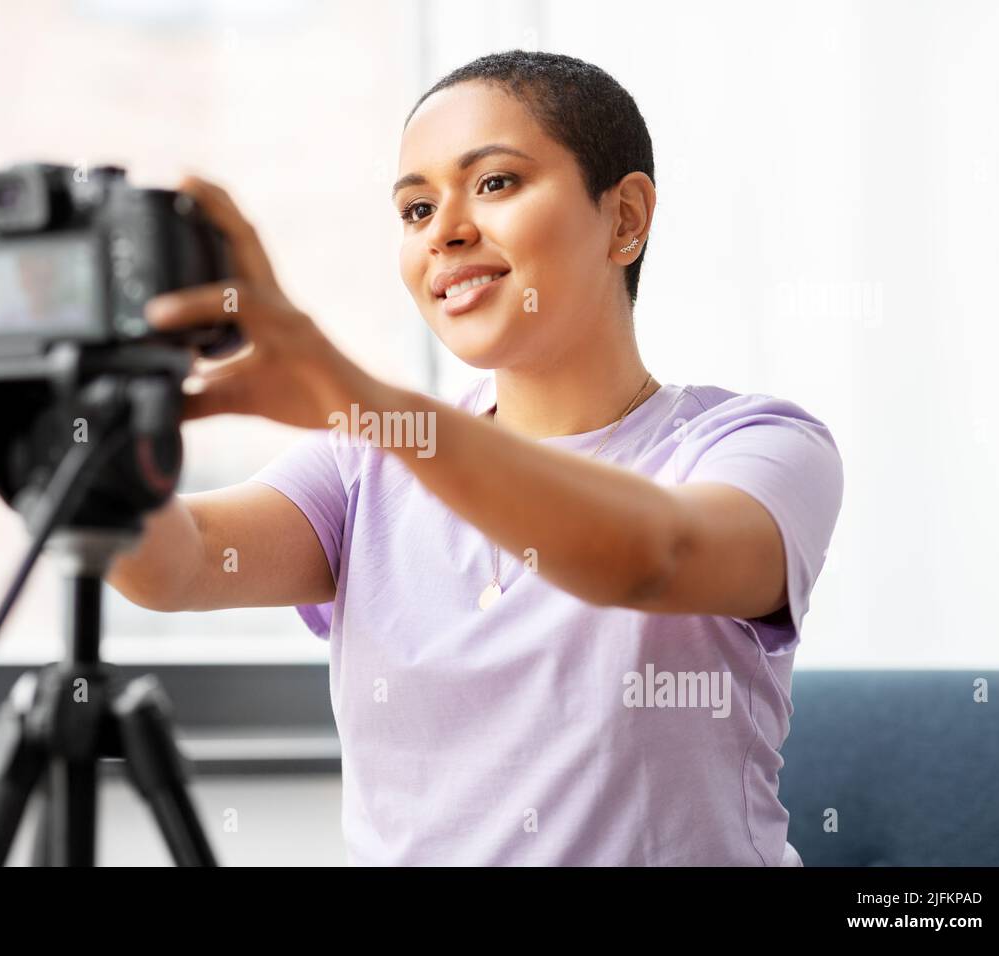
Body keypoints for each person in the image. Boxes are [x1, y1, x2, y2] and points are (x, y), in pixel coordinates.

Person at [108, 50, 844, 866]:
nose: (445, 232)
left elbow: (652, 558)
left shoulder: (759, 447)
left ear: (626, 218)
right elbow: (177, 565)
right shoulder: (367, 460)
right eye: (416, 209)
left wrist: (352, 391)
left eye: (494, 183)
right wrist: (56, 432)